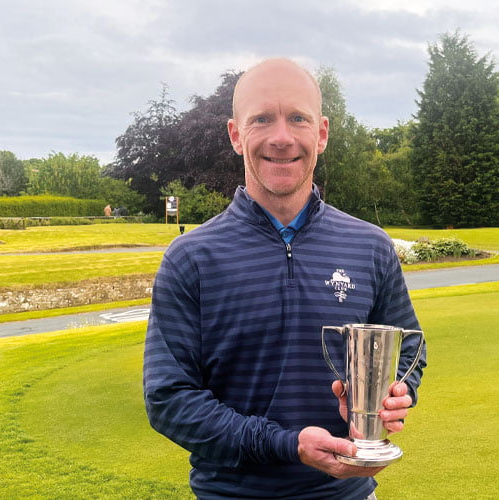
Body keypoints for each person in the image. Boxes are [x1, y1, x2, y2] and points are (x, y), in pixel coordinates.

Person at [144, 58, 426, 500]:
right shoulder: (191, 257)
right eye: (261, 119)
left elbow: (410, 345)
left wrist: (393, 396)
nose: (281, 137)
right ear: (236, 135)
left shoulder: (370, 246)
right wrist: (285, 444)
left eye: (298, 118)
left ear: (322, 133)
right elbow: (168, 399)